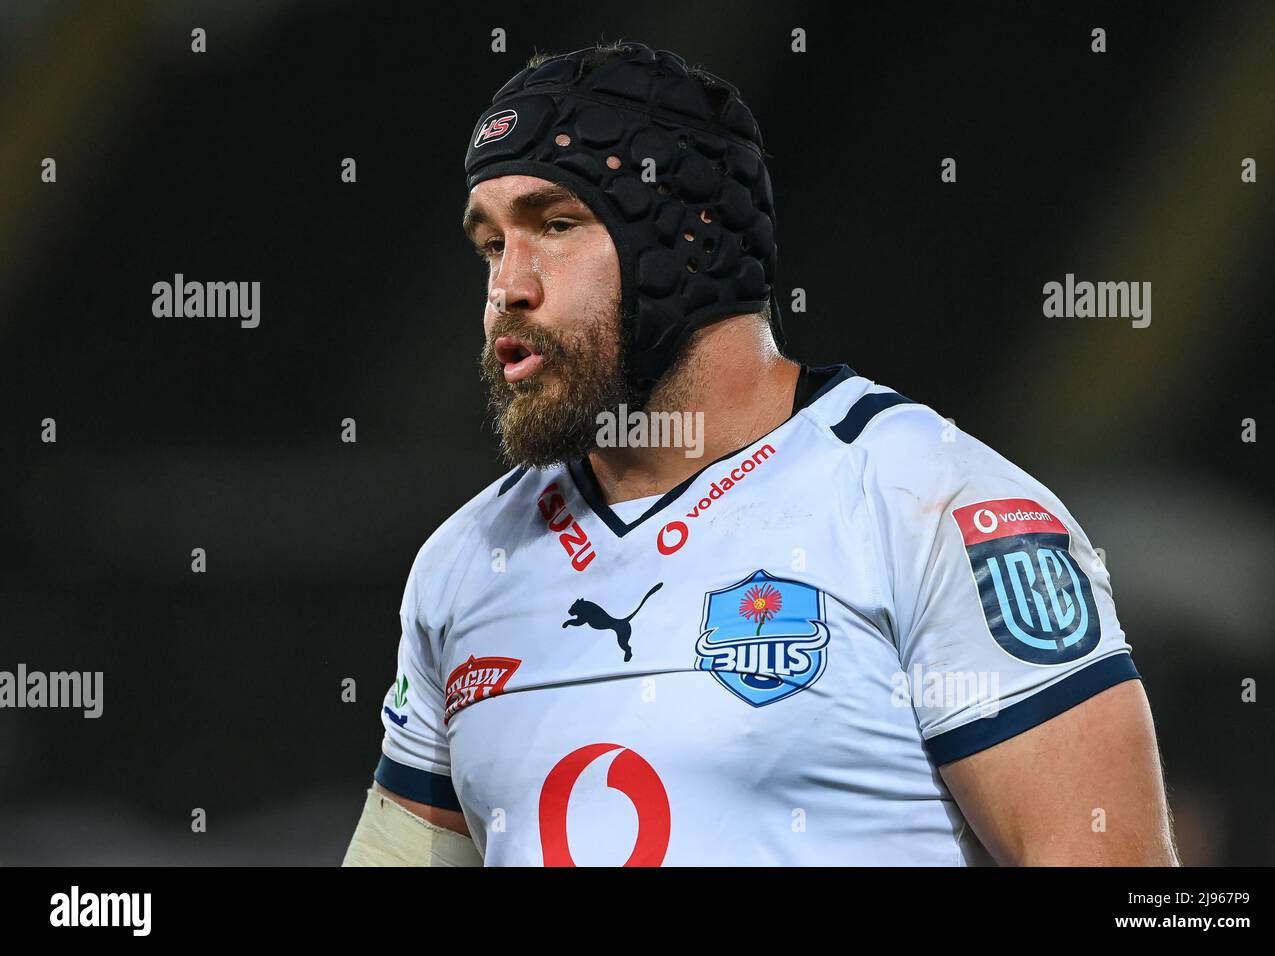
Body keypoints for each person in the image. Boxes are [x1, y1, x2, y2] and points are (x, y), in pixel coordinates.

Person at [343, 40, 1178, 866]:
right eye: (491, 245)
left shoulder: (931, 504)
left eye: (557, 225)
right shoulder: (465, 563)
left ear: (690, 234)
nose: (506, 289)